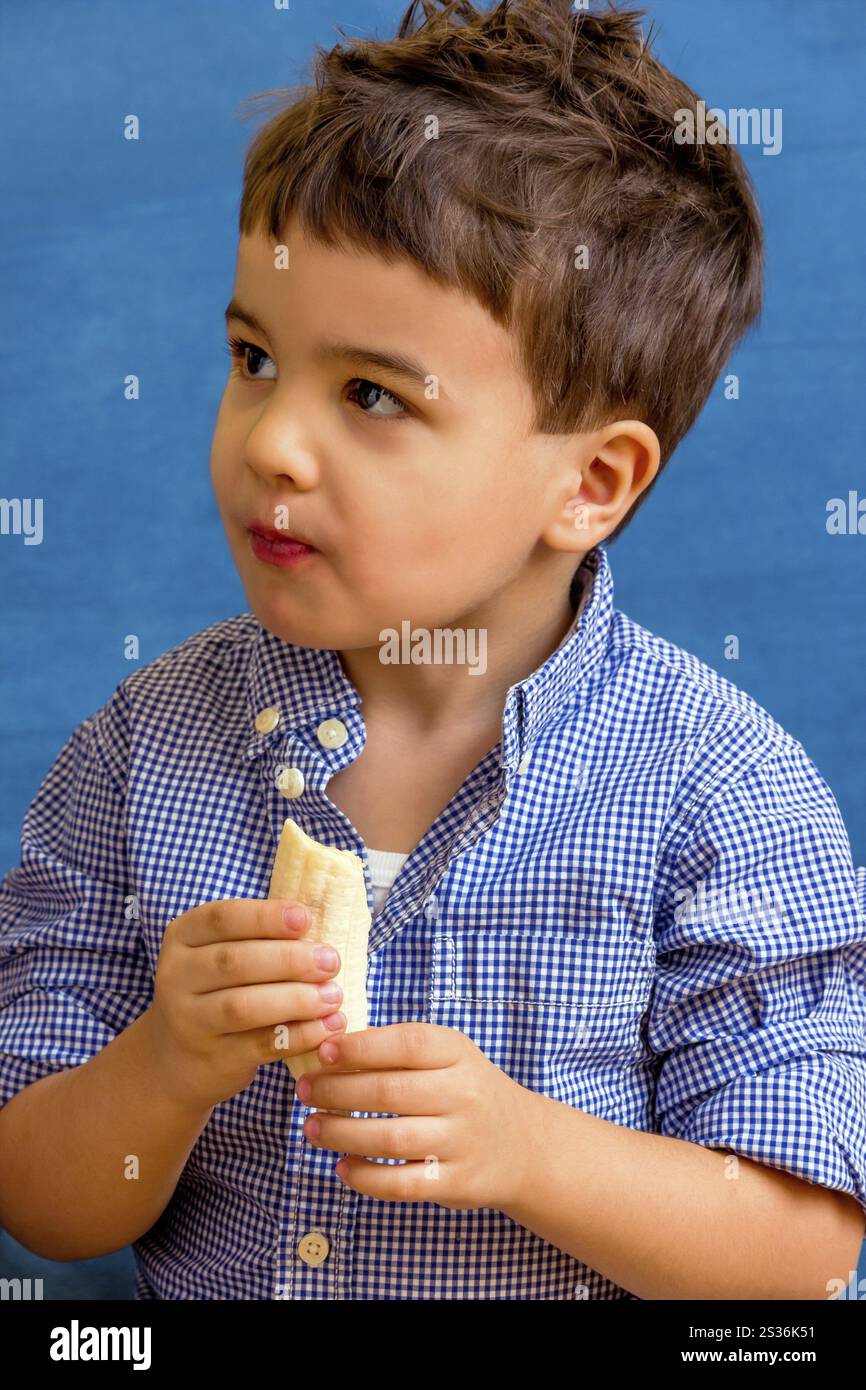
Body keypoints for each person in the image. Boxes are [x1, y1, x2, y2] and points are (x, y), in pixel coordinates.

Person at [1, 0, 864, 1300]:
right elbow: (40, 1208)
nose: (271, 443)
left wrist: (530, 1152)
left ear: (589, 483)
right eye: (252, 358)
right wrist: (160, 1069)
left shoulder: (721, 794)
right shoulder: (140, 752)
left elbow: (802, 1251)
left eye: (369, 396)